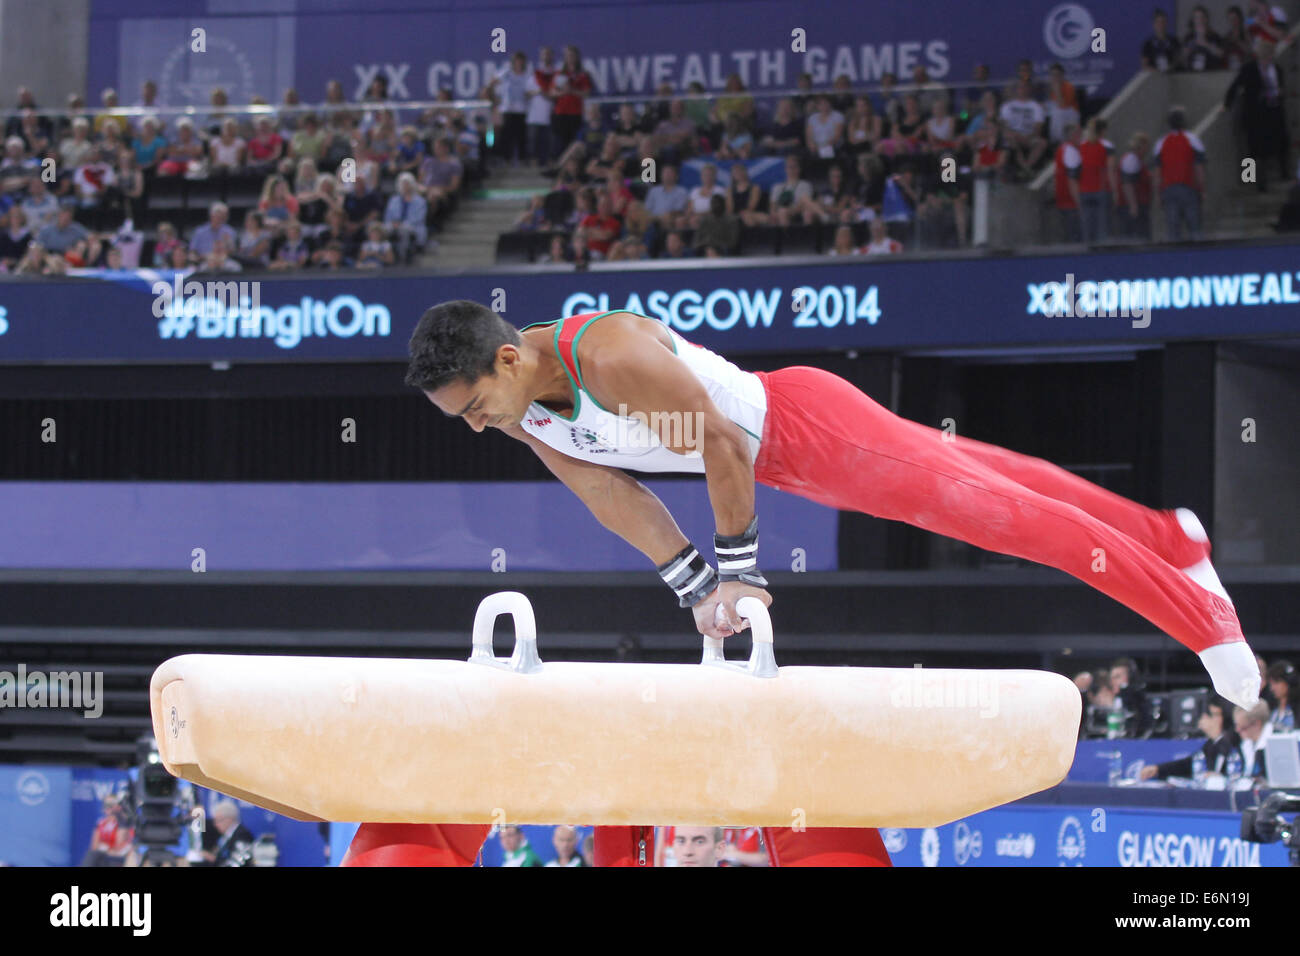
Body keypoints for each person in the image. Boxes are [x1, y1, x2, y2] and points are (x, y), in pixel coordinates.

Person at [1139, 695, 1238, 778]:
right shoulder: (1210, 745)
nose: (1203, 719)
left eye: (1212, 715)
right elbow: (1189, 764)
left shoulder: (1234, 744)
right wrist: (1158, 769)